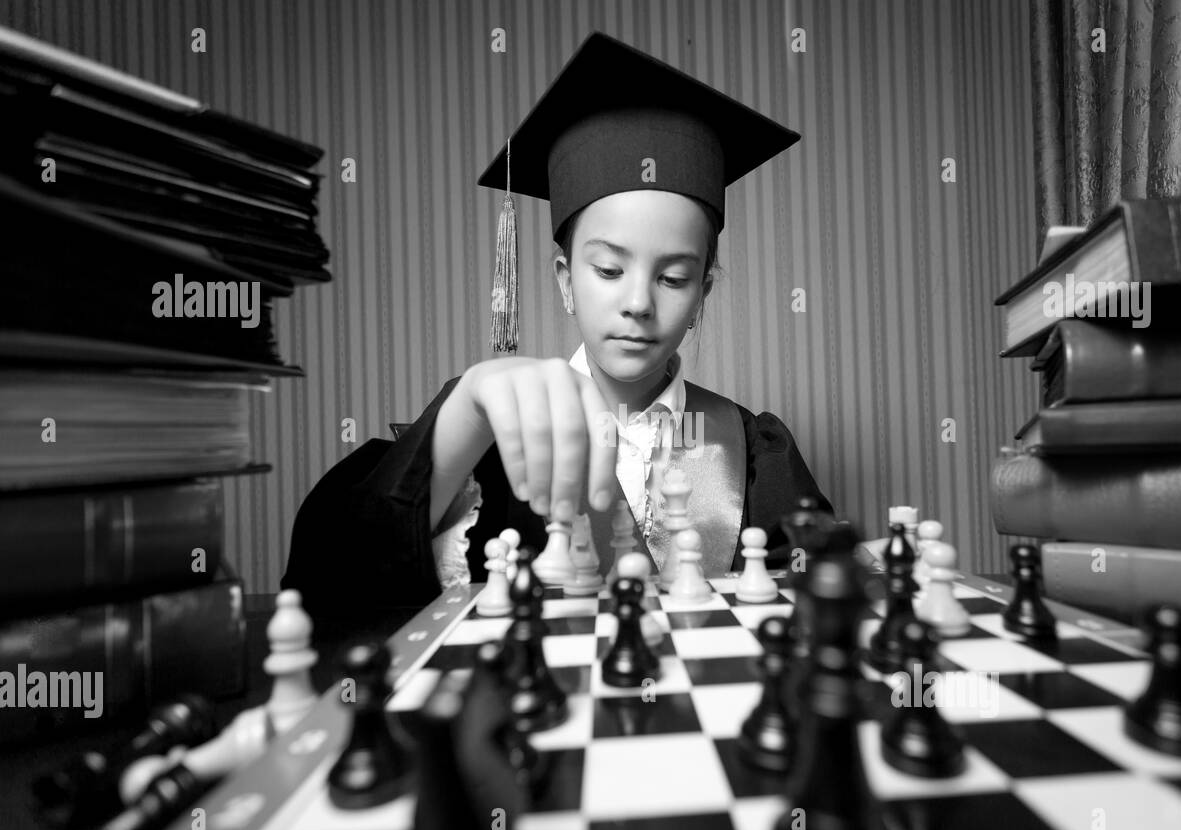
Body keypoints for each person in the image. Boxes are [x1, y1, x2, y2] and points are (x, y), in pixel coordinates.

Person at [281, 32, 832, 613]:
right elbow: (332, 583)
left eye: (673, 278)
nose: (639, 302)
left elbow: (817, 596)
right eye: (609, 269)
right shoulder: (487, 428)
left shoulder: (750, 448)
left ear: (703, 293)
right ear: (567, 281)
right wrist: (463, 417)